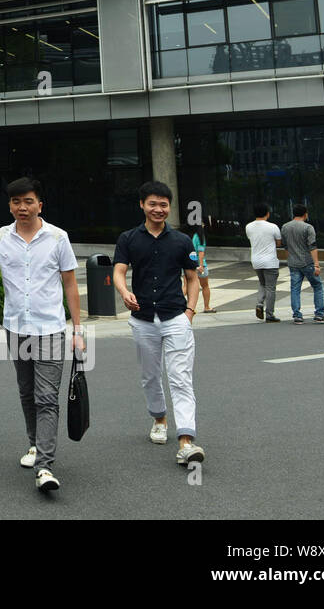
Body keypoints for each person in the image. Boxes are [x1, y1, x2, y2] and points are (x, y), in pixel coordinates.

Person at [0, 177, 83, 494]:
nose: (22, 207)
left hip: (50, 329)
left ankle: (45, 466)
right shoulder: (0, 237)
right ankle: (34, 444)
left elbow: (70, 284)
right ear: (10, 206)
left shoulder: (58, 238)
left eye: (28, 201)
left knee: (46, 397)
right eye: (16, 202)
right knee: (27, 392)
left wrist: (78, 329)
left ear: (40, 205)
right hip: (16, 328)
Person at [113, 182, 206, 467]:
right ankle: (159, 419)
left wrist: (190, 312)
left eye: (163, 205)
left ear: (169, 207)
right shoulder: (128, 239)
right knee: (150, 376)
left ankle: (186, 441)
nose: (158, 209)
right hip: (143, 320)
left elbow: (192, 279)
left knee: (180, 378)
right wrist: (124, 292)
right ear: (142, 205)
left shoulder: (182, 241)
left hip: (176, 317)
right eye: (153, 204)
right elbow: (119, 271)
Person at [282, 205, 324, 325]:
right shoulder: (308, 227)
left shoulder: (285, 227)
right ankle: (319, 314)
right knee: (317, 286)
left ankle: (297, 315)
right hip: (307, 262)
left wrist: (290, 258)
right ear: (305, 214)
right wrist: (317, 265)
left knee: (295, 289)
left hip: (293, 262)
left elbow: (285, 246)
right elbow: (312, 246)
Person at [245, 204, 282, 323]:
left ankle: (259, 304)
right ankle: (270, 314)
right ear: (267, 213)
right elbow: (279, 243)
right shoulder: (273, 227)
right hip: (270, 261)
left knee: (262, 283)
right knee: (271, 288)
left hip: (256, 261)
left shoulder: (248, 227)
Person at [190, 224, 216, 313]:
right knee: (205, 286)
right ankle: (207, 307)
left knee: (189, 286)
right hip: (200, 265)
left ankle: (189, 307)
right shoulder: (200, 237)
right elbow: (201, 252)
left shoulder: (193, 236)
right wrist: (201, 265)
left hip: (191, 264)